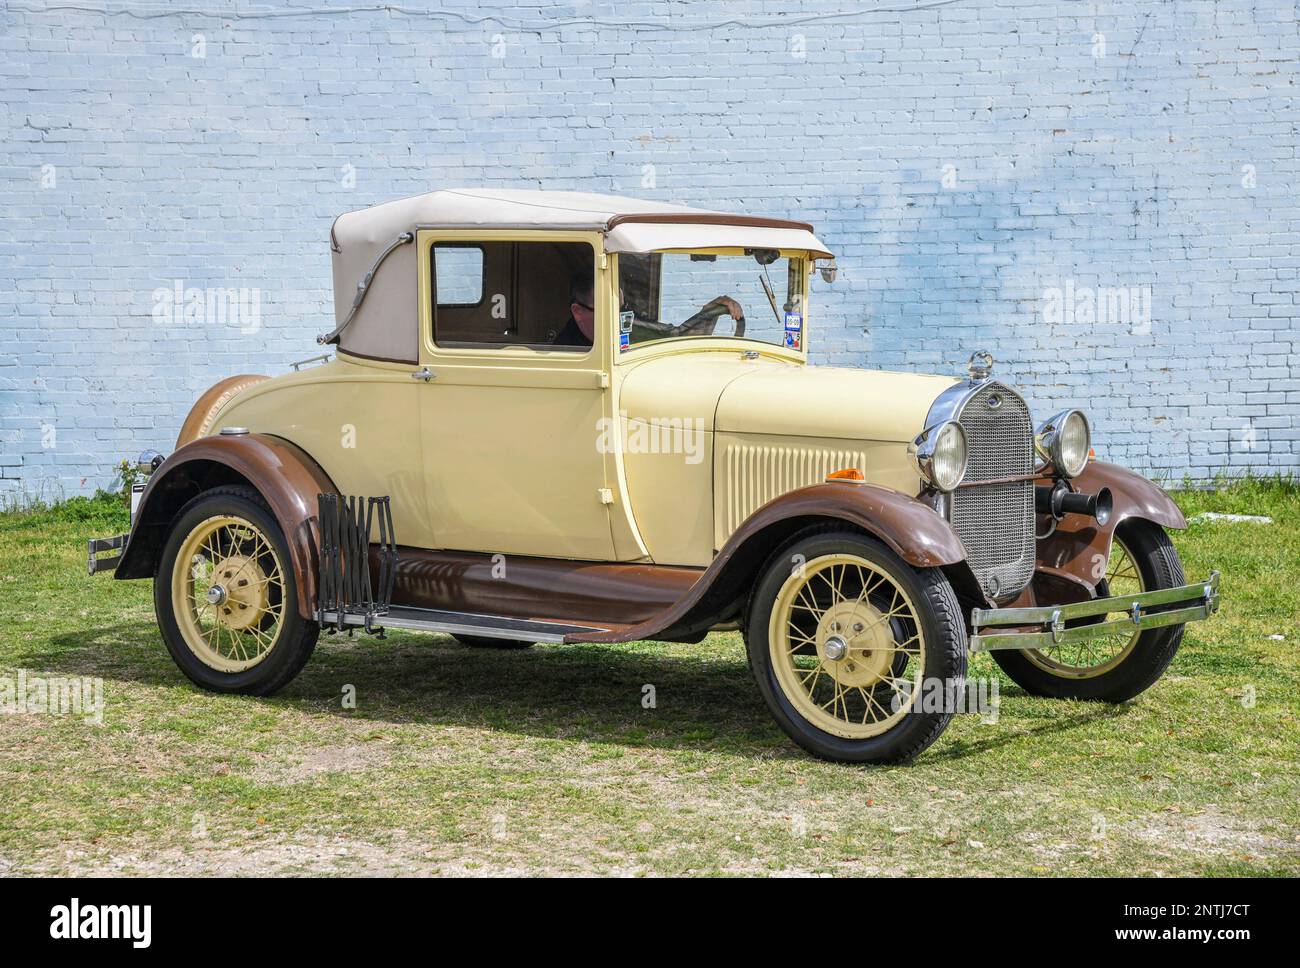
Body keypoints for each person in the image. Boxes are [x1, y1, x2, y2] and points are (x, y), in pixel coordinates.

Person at [551, 274, 744, 347]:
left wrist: (711, 310)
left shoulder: (626, 323)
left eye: (623, 309)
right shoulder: (566, 352)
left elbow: (671, 335)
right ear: (578, 312)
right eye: (609, 311)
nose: (620, 319)